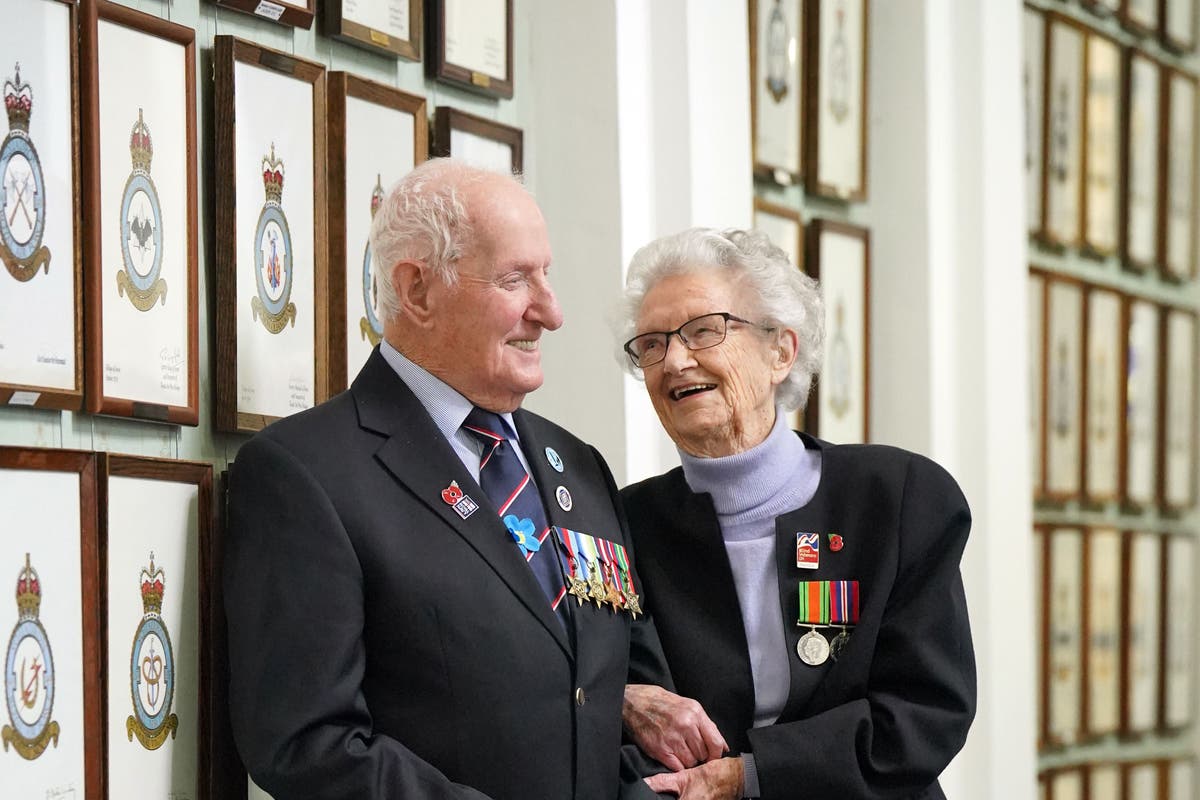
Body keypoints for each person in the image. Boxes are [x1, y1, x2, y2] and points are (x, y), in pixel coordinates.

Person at [223, 158, 672, 800]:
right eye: (515, 279)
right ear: (418, 292)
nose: (551, 311)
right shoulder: (306, 473)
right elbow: (307, 743)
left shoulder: (578, 466)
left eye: (546, 275)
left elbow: (632, 713)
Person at [617, 228, 976, 799]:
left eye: (704, 330)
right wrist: (624, 699)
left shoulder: (897, 498)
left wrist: (750, 776)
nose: (675, 361)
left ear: (780, 352)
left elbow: (927, 712)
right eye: (652, 344)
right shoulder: (625, 524)